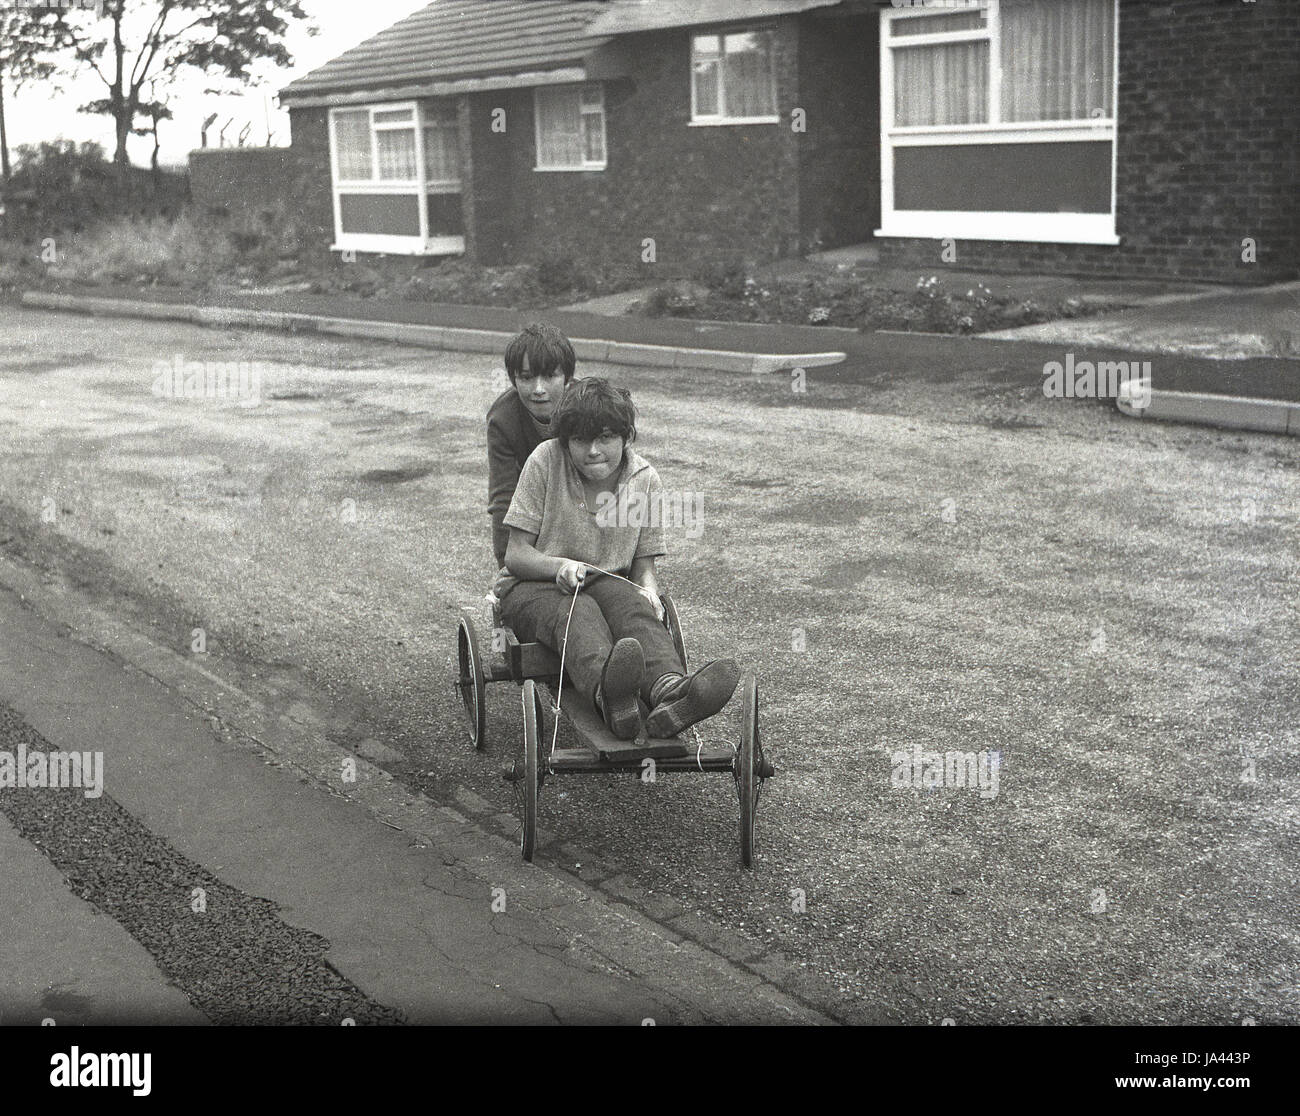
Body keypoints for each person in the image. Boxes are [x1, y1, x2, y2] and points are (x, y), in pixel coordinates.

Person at [496, 378, 738, 741]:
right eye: (579, 440)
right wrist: (559, 566)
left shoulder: (644, 479)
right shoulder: (545, 462)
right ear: (566, 441)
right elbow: (516, 554)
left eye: (605, 438)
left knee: (633, 607)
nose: (593, 450)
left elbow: (643, 568)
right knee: (578, 612)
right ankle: (610, 697)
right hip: (533, 587)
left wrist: (649, 592)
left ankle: (670, 694)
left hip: (607, 582)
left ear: (626, 437)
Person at [486, 323, 576, 569]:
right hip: (534, 522)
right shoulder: (503, 419)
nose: (538, 389)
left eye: (549, 376)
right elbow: (504, 497)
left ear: (567, 378)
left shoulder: (588, 407)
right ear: (514, 380)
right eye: (526, 378)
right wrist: (507, 568)